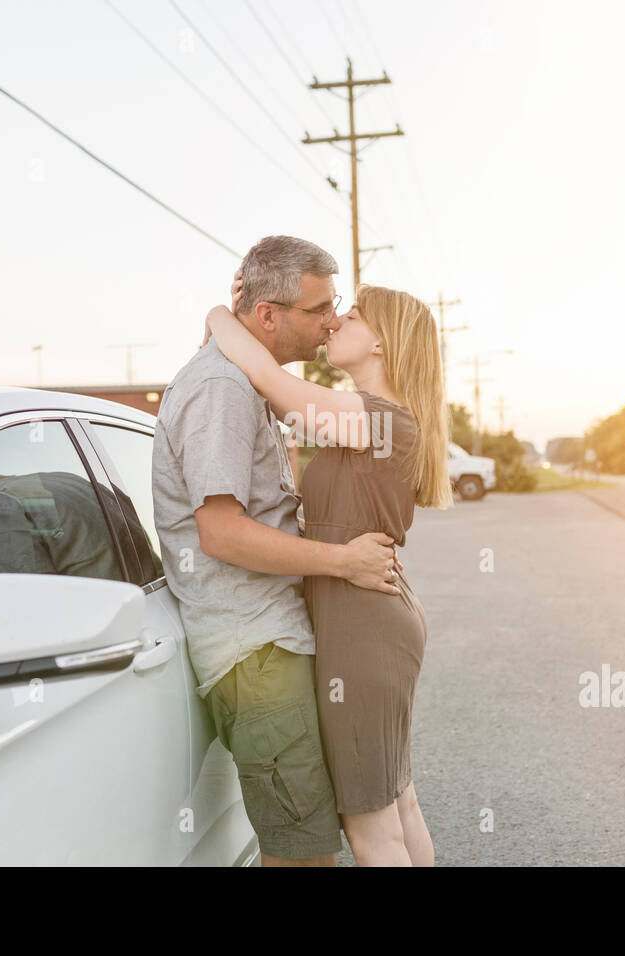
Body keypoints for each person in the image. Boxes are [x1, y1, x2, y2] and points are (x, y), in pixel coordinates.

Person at [152, 235, 400, 867]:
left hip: (271, 642)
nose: (330, 321)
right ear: (268, 315)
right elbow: (222, 533)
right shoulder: (223, 391)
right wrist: (344, 561)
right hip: (255, 649)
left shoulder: (247, 381)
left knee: (311, 840)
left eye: (337, 307)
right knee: (303, 853)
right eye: (319, 309)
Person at [205, 274, 452, 867]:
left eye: (355, 315)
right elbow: (269, 389)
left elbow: (267, 378)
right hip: (370, 618)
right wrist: (249, 310)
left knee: (370, 825)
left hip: (364, 629)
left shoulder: (383, 422)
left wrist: (222, 313)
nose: (337, 320)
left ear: (382, 344)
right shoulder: (370, 419)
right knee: (397, 803)